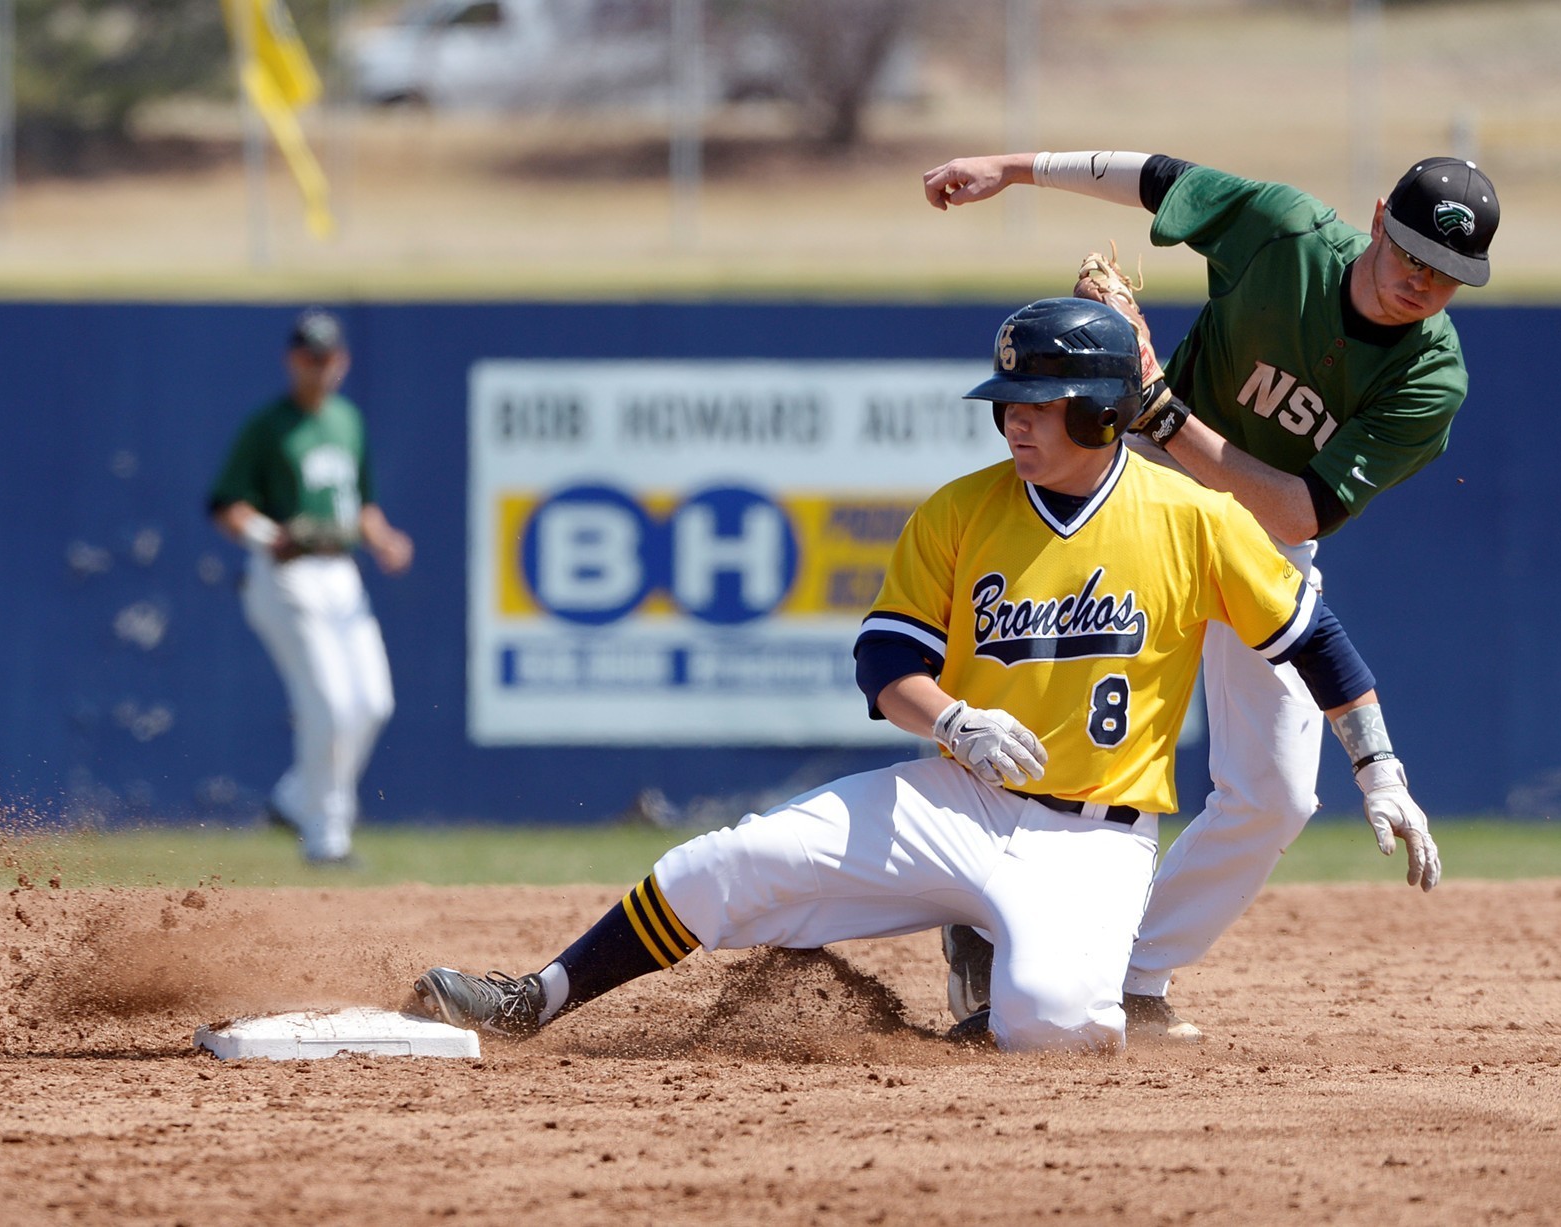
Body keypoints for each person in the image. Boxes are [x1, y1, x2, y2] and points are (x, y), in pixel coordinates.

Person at [410, 297, 1438, 1054]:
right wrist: (951, 722)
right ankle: (535, 997)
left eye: (1040, 402)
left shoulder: (1194, 517)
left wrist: (1377, 768)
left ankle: (987, 971)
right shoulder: (960, 511)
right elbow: (886, 659)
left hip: (1094, 837)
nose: (1015, 422)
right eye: (1007, 404)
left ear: (1101, 410)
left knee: (1062, 1028)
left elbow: (1313, 640)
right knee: (724, 862)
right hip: (959, 793)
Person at [920, 150, 1493, 1041]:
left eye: (1448, 273)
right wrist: (1013, 170)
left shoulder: (1431, 376)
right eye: (1413, 252)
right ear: (1379, 217)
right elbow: (1152, 175)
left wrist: (1163, 413)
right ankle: (986, 921)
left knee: (1276, 795)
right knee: (1050, 709)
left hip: (1253, 521)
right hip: (1140, 475)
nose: (1421, 281)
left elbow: (1295, 505)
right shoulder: (1283, 230)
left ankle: (1132, 971)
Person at [208, 308, 414, 865]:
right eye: (308, 356)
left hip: (341, 570)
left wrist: (385, 539)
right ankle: (326, 838)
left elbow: (361, 505)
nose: (318, 366)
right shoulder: (268, 425)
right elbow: (226, 504)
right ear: (291, 359)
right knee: (328, 706)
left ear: (342, 361)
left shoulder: (347, 421)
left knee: (372, 702)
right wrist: (266, 533)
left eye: (327, 357)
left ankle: (296, 796)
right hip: (286, 573)